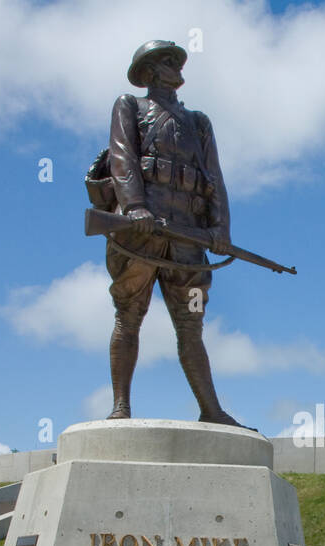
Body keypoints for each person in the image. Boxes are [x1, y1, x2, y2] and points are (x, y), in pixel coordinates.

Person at [102, 40, 246, 427]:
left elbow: (213, 177)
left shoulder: (199, 122)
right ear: (148, 72)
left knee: (192, 324)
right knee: (128, 316)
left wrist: (220, 230)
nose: (176, 65)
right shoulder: (129, 106)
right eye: (167, 61)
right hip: (140, 235)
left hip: (189, 240)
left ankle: (211, 410)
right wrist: (134, 207)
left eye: (176, 60)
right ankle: (121, 406)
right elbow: (123, 159)